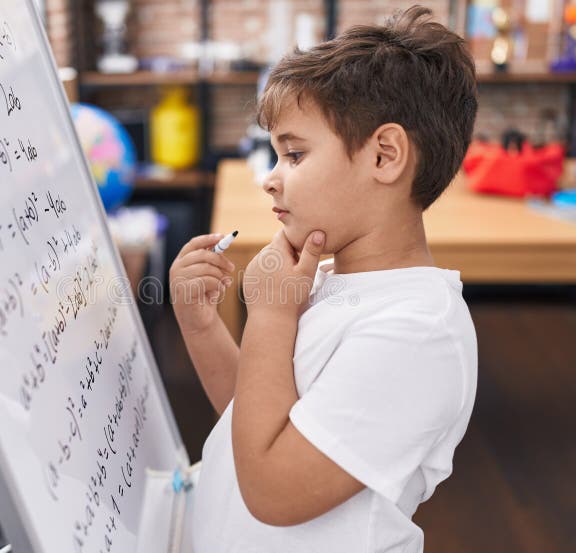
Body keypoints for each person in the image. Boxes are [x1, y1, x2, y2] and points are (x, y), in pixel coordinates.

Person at [169, 5, 478, 552]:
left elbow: (274, 489)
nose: (270, 179)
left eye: (293, 154)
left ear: (384, 155)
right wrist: (200, 326)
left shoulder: (418, 331)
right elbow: (258, 422)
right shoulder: (329, 280)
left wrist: (269, 313)